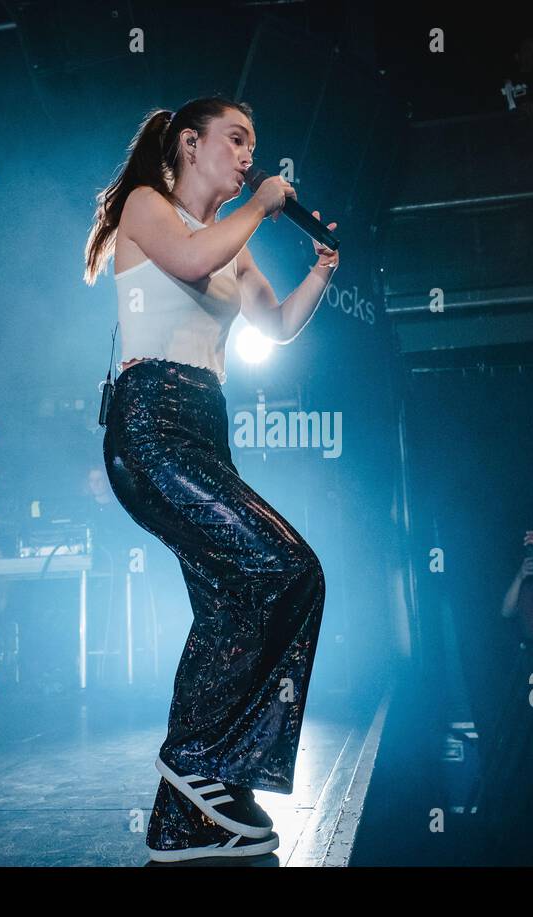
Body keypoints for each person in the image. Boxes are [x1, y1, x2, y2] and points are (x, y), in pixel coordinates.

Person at [84, 97, 338, 862]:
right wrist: (262, 205)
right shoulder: (147, 206)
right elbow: (191, 262)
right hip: (152, 423)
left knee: (235, 600)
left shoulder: (237, 243)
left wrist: (321, 274)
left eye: (253, 144)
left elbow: (278, 324)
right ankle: (200, 757)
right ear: (189, 146)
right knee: (288, 568)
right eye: (235, 139)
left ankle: (179, 821)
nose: (248, 154)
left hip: (206, 425)